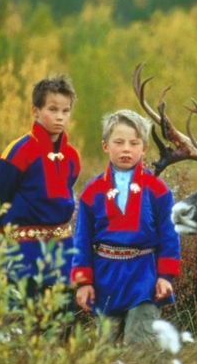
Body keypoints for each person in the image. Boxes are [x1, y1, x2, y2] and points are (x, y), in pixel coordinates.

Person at [71, 109, 181, 346]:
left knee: (141, 347)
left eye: (134, 143)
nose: (126, 149)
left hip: (144, 278)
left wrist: (165, 276)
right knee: (103, 350)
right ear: (105, 146)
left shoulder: (158, 190)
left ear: (144, 148)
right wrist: (83, 282)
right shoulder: (92, 192)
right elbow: (81, 241)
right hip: (104, 279)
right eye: (118, 142)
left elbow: (170, 237)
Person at [0, 76, 81, 297]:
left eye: (65, 111)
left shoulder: (71, 156)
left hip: (61, 251)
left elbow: (69, 185)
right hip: (24, 251)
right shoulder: (18, 151)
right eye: (52, 109)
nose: (60, 117)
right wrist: (6, 234)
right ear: (35, 111)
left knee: (62, 317)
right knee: (22, 316)